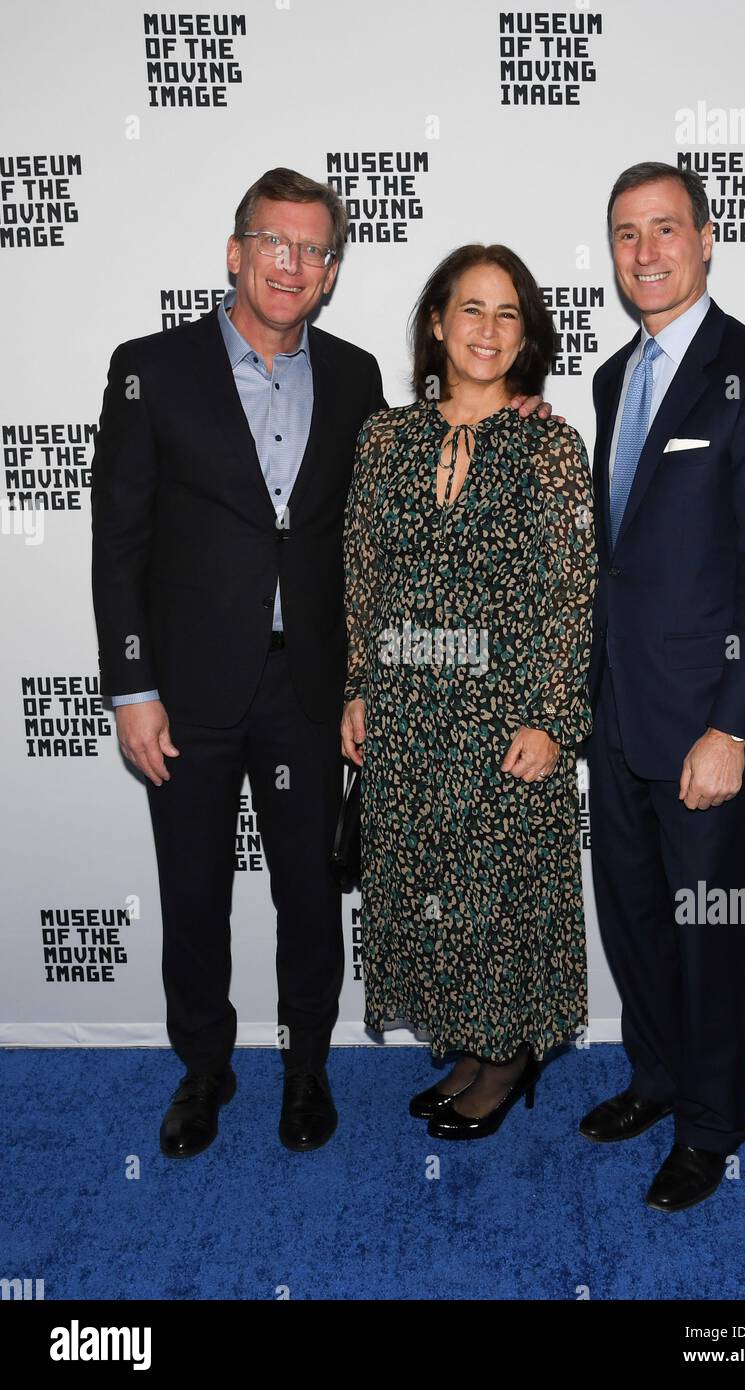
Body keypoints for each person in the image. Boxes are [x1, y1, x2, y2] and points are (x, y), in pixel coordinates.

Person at [91, 170, 550, 1159]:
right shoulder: (150, 369)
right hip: (190, 690)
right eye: (273, 243)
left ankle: (307, 1069)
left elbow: (419, 499)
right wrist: (131, 689)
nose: (292, 264)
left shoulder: (351, 381)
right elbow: (118, 543)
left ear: (334, 269)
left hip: (311, 689)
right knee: (193, 894)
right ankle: (205, 1069)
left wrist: (523, 413)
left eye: (312, 249)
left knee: (309, 893)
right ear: (235, 252)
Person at [581, 162, 745, 1209]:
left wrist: (735, 727)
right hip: (617, 715)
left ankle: (711, 1123)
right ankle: (656, 1075)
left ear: (708, 237)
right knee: (632, 917)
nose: (646, 252)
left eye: (666, 229)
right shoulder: (609, 378)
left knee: (704, 928)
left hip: (703, 728)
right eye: (627, 233)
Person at [341, 244, 597, 1139]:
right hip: (410, 718)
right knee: (430, 888)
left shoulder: (550, 444)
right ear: (437, 325)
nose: (487, 330)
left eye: (507, 314)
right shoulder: (386, 438)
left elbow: (573, 590)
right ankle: (472, 1045)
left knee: (497, 895)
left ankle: (506, 1057)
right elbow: (362, 571)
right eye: (471, 310)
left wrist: (554, 717)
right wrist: (359, 688)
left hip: (504, 718)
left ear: (526, 336)